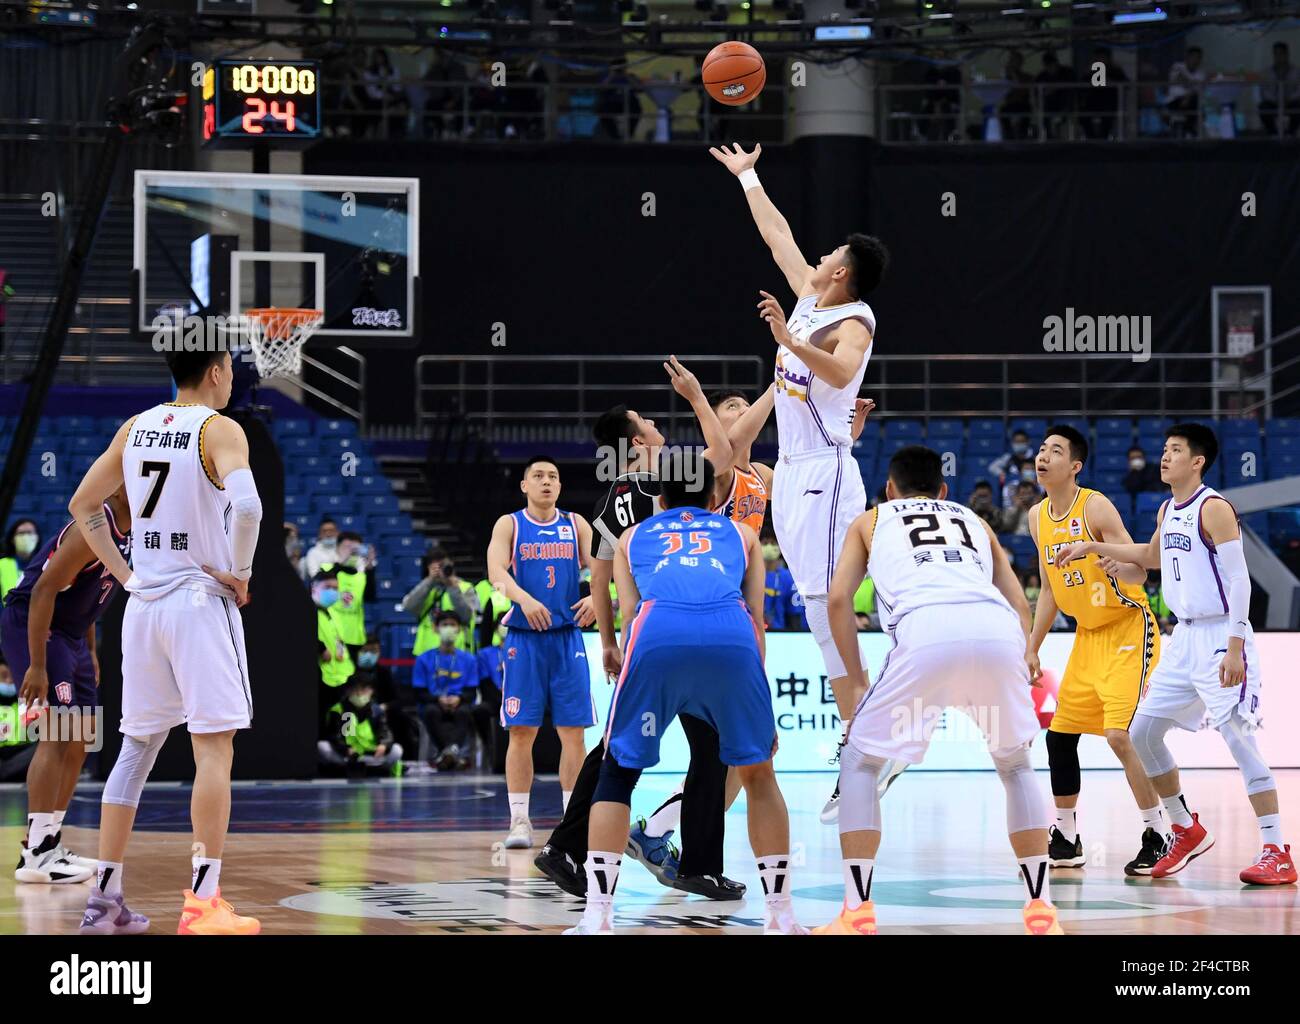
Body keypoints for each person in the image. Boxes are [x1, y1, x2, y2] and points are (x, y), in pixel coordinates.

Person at [712, 140, 890, 824]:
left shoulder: (853, 319)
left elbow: (842, 373)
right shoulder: (814, 303)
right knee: (817, 606)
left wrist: (789, 342)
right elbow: (777, 233)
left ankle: (866, 739)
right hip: (796, 471)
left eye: (826, 258)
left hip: (823, 472)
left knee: (824, 609)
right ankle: (868, 732)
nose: (813, 260)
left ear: (841, 271)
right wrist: (749, 175)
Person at [816, 445, 1060, 935]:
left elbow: (838, 598)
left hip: (925, 630)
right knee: (1014, 764)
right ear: (943, 491)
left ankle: (857, 910)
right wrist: (1029, 653)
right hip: (996, 629)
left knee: (860, 762)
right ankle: (1041, 908)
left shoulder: (871, 519)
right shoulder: (973, 519)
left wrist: (856, 676)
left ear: (889, 489)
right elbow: (1020, 598)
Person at [565, 453, 803, 935]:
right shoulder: (743, 534)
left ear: (659, 498)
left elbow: (631, 616)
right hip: (732, 641)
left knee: (617, 772)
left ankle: (597, 917)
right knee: (757, 773)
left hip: (657, 637)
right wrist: (757, 708)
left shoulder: (633, 537)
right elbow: (757, 622)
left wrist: (630, 665)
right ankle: (780, 915)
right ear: (714, 499)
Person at [534, 372, 750, 902]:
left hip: (643, 634)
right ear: (637, 441)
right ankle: (692, 864)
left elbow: (600, 576)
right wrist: (707, 397)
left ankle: (568, 848)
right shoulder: (670, 474)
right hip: (691, 624)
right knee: (709, 748)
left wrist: (610, 640)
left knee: (619, 748)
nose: (656, 426)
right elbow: (724, 455)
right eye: (648, 423)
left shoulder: (611, 500)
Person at [70, 345, 262, 935]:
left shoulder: (136, 426)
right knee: (212, 749)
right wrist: (242, 572)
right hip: (198, 603)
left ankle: (104, 903)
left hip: (144, 606)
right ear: (214, 372)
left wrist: (126, 574)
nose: (232, 377)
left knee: (135, 750)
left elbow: (84, 505)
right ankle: (204, 904)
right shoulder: (220, 428)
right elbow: (249, 508)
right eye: (230, 367)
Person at [1055, 424, 1294, 885]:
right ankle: (1184, 828)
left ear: (1197, 461)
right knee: (1141, 734)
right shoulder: (1168, 509)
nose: (1165, 457)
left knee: (1241, 742)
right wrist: (1094, 547)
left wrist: (1236, 646)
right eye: (1164, 450)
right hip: (1182, 640)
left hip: (1221, 635)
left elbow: (1241, 581)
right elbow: (1150, 556)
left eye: (1175, 451)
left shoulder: (1215, 508)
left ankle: (1275, 848)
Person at [1027, 425, 1169, 877]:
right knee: (1060, 736)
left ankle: (1159, 832)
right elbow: (1049, 588)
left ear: (1075, 466)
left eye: (1055, 451)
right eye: (1041, 449)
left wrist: (1118, 565)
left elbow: (1140, 570)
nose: (1042, 456)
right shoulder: (1036, 517)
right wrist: (1032, 647)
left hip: (1129, 627)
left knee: (1119, 736)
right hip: (1088, 636)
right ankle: (1067, 837)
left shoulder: (1096, 505)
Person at [2, 487, 131, 884]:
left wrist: (89, 650)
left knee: (81, 739)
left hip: (72, 635)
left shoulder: (132, 532)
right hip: (36, 626)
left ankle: (48, 843)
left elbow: (86, 597)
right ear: (122, 485)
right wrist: (37, 665)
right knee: (56, 734)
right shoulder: (94, 525)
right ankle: (37, 854)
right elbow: (43, 591)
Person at [486, 455, 596, 850]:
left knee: (573, 732)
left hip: (567, 638)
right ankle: (519, 822)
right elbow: (496, 574)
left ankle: (573, 824)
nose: (546, 481)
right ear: (524, 485)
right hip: (524, 640)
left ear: (560, 487)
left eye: (553, 476)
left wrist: (602, 602)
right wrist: (523, 599)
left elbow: (607, 565)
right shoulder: (510, 524)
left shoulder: (576, 524)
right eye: (538, 476)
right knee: (522, 730)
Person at [414, 610, 478, 770]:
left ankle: (446, 754)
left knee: (464, 712)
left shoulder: (469, 659)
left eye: (452, 625)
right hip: (433, 703)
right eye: (444, 625)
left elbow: (471, 692)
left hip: (459, 703)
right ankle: (452, 753)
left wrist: (459, 699)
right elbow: (419, 692)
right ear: (436, 628)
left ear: (459, 630)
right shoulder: (423, 659)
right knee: (431, 711)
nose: (448, 628)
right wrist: (438, 700)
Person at [318, 676, 402, 775]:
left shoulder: (377, 710)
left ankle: (372, 767)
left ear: (371, 692)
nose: (360, 694)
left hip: (372, 754)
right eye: (356, 690)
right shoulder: (338, 710)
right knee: (322, 746)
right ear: (348, 691)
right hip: (347, 755)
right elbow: (334, 736)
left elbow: (384, 731)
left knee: (397, 750)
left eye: (364, 690)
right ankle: (347, 767)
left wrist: (384, 744)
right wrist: (346, 749)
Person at [403, 549, 476, 655]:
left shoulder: (466, 587)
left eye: (444, 566)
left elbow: (467, 616)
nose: (442, 570)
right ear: (429, 568)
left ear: (451, 565)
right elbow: (408, 606)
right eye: (438, 567)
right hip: (426, 652)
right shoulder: (426, 588)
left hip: (458, 652)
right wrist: (429, 580)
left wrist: (452, 586)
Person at [325, 531, 378, 661]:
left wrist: (370, 568)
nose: (351, 552)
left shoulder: (362, 577)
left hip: (354, 639)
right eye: (347, 548)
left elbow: (370, 597)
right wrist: (341, 562)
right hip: (330, 638)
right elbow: (318, 589)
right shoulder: (327, 569)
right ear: (337, 548)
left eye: (355, 549)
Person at [313, 568, 354, 726]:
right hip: (321, 678)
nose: (333, 592)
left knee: (345, 718)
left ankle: (349, 747)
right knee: (322, 722)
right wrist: (320, 647)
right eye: (328, 587)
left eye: (336, 588)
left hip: (341, 676)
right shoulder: (306, 611)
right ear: (314, 588)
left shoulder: (334, 612)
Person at [1259, 41, 1299, 137]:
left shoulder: (1296, 72)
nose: (1278, 57)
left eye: (1281, 53)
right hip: (1273, 102)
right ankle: (1273, 132)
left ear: (1286, 54)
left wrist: (1289, 99)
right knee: (1263, 107)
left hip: (1291, 101)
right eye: (1276, 54)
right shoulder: (1267, 72)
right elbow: (1264, 91)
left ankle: (1290, 133)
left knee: (1298, 106)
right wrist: (1276, 100)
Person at [1166, 46, 1206, 138]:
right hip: (1174, 101)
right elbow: (1178, 79)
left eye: (1198, 58)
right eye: (1194, 57)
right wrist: (1191, 83)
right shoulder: (1177, 66)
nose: (1196, 60)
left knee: (1195, 101)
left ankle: (1188, 131)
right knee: (1192, 104)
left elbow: (1197, 89)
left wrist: (1188, 96)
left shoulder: (1201, 73)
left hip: (1190, 101)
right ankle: (1189, 130)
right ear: (1187, 57)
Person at [1, 519, 41, 602]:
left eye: (30, 533)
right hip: (7, 613)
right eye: (21, 533)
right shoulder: (2, 564)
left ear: (37, 538)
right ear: (12, 539)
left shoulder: (44, 565)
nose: (26, 537)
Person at [763, 539, 794, 630]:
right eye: (765, 543)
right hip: (753, 633)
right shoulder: (747, 574)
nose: (769, 547)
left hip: (780, 632)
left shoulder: (788, 577)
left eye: (773, 543)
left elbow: (794, 614)